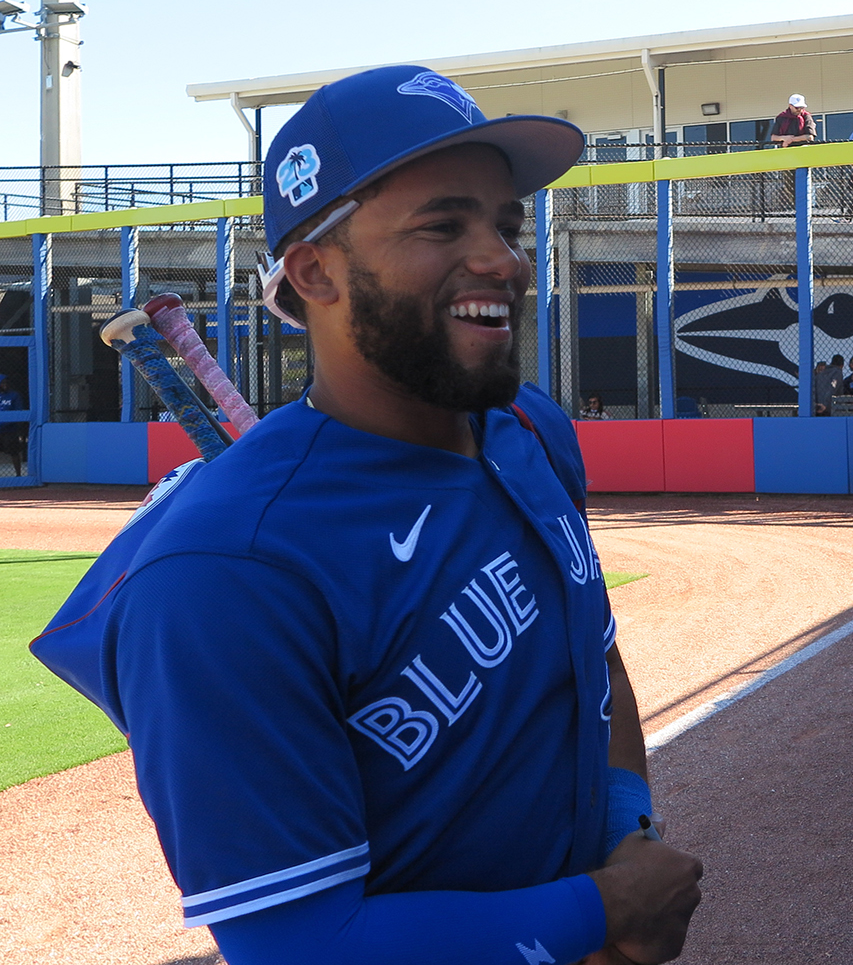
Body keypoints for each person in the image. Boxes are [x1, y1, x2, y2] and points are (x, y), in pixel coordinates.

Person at [32, 66, 702, 965]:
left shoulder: (531, 428)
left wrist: (628, 837)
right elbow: (299, 943)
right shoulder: (221, 574)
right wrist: (601, 910)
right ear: (315, 270)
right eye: (443, 224)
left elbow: (593, 662)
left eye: (506, 226)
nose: (504, 259)